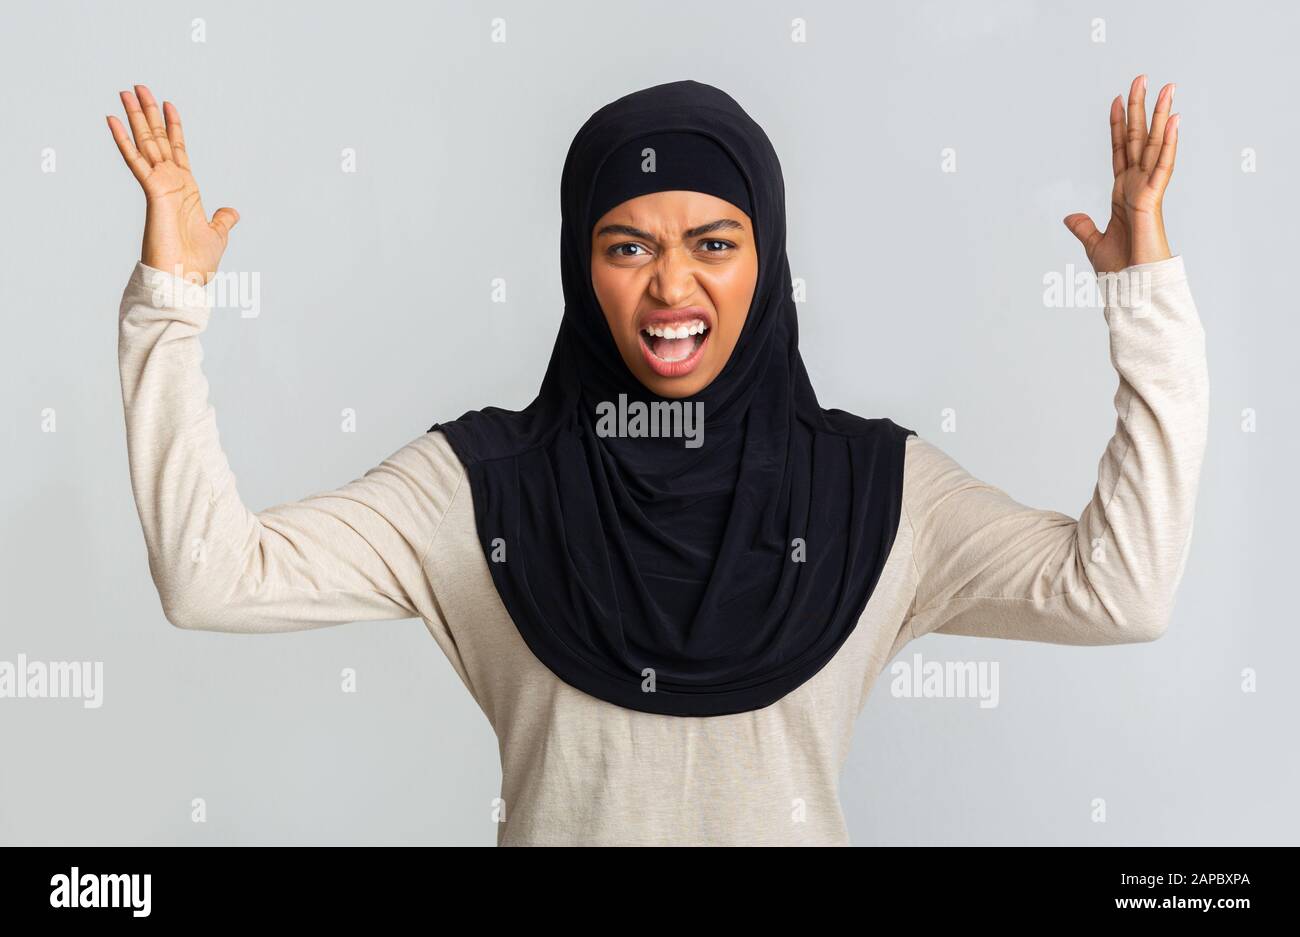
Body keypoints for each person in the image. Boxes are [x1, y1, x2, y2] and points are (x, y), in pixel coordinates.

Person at [109, 77, 1208, 846]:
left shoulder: (875, 495)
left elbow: (1118, 592)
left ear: (765, 262)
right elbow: (214, 579)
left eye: (713, 244)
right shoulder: (484, 485)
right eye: (626, 244)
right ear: (578, 266)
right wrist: (171, 307)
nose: (670, 286)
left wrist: (1144, 299)